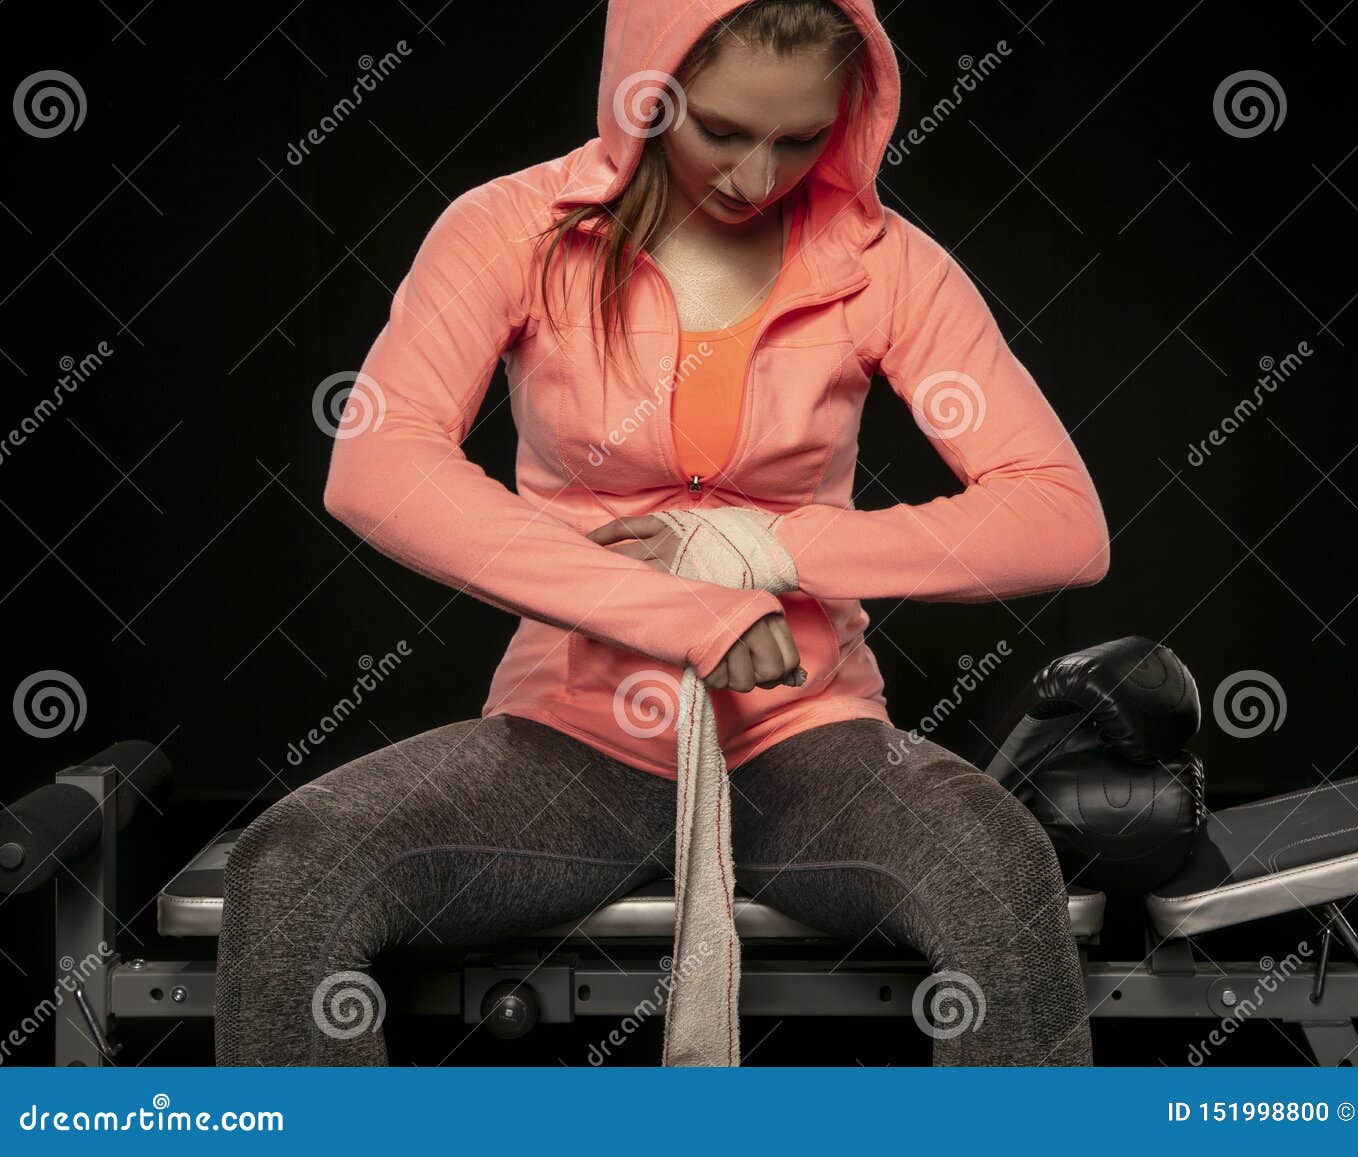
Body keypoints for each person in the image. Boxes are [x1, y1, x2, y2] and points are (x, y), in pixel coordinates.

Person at [214, 0, 1111, 1067]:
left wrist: (771, 550)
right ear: (647, 89)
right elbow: (380, 465)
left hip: (801, 742)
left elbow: (1059, 518)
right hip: (572, 742)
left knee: (993, 868)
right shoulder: (513, 229)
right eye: (721, 131)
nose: (755, 176)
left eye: (800, 139)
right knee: (293, 871)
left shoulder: (882, 265)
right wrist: (685, 609)